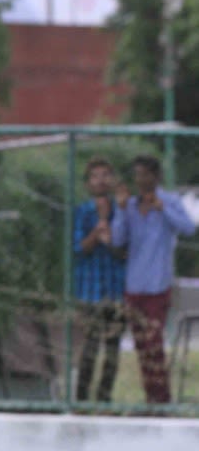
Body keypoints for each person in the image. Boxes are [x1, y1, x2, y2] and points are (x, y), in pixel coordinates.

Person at [111, 155, 197, 404]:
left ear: (156, 177)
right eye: (137, 175)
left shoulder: (169, 201)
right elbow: (118, 240)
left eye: (146, 174)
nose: (141, 180)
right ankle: (151, 396)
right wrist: (121, 210)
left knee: (154, 343)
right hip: (134, 284)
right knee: (141, 346)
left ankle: (161, 398)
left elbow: (188, 228)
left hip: (158, 284)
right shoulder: (130, 205)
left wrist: (162, 208)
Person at [72, 157, 127, 402]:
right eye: (95, 176)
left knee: (112, 349)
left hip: (116, 289)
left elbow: (124, 250)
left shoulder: (123, 211)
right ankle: (81, 398)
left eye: (106, 174)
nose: (101, 180)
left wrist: (111, 234)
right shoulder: (82, 212)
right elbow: (79, 248)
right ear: (88, 183)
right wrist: (100, 224)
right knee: (89, 349)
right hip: (89, 290)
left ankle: (105, 397)